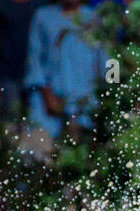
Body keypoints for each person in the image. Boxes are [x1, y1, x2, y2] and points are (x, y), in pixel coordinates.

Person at [23, 0, 105, 140]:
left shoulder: (94, 18)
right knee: (42, 148)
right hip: (49, 102)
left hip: (87, 104)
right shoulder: (43, 17)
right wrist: (47, 94)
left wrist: (111, 93)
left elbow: (107, 60)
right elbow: (35, 59)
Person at [0, 0, 43, 114]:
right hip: (7, 74)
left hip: (35, 75)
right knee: (12, 117)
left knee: (34, 120)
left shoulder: (40, 4)